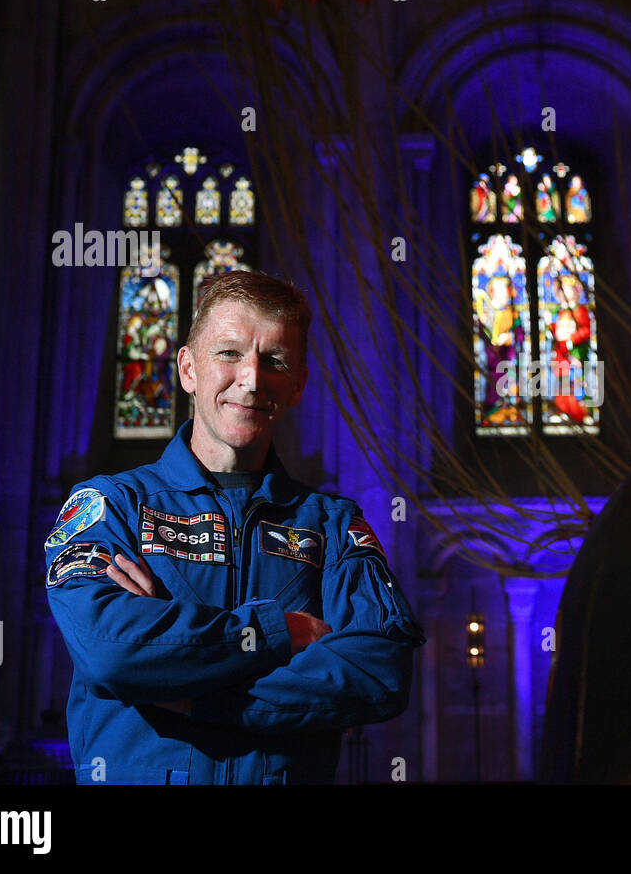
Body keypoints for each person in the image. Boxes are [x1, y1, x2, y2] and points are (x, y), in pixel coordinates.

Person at [44, 270, 425, 784]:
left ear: (297, 384)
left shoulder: (333, 527)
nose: (251, 378)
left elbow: (379, 671)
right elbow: (109, 650)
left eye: (275, 361)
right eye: (228, 353)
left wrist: (189, 687)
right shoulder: (112, 508)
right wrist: (276, 635)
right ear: (187, 368)